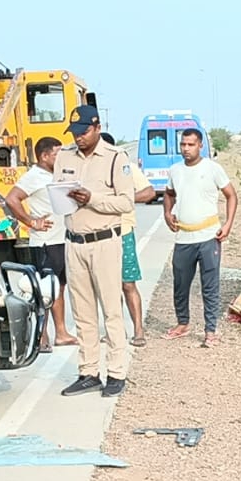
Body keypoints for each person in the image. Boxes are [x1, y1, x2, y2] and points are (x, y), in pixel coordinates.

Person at [54, 106, 135, 397]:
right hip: (74, 242)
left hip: (104, 242)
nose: (79, 138)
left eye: (84, 132)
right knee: (83, 312)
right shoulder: (64, 156)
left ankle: (116, 373)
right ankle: (88, 372)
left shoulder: (115, 158)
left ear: (98, 127)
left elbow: (127, 203)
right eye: (75, 133)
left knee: (111, 310)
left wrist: (92, 199)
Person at [162, 128, 238, 348]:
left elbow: (231, 195)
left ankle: (210, 330)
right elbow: (169, 194)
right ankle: (182, 324)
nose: (186, 149)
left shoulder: (213, 169)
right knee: (181, 284)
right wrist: (168, 213)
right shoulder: (175, 170)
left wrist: (228, 224)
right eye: (183, 144)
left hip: (208, 236)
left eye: (191, 144)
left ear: (200, 146)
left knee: (210, 286)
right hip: (184, 237)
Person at [5, 136, 77, 352]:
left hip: (60, 238)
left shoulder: (56, 175)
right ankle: (42, 335)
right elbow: (11, 199)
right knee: (45, 289)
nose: (61, 157)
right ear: (45, 156)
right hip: (45, 242)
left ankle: (61, 332)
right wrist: (31, 221)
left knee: (59, 287)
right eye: (57, 153)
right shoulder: (33, 176)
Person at [101, 132, 156, 346]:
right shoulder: (90, 171)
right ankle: (115, 332)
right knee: (108, 287)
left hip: (122, 233)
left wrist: (122, 200)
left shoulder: (127, 168)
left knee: (127, 284)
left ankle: (138, 330)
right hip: (99, 235)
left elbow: (149, 192)